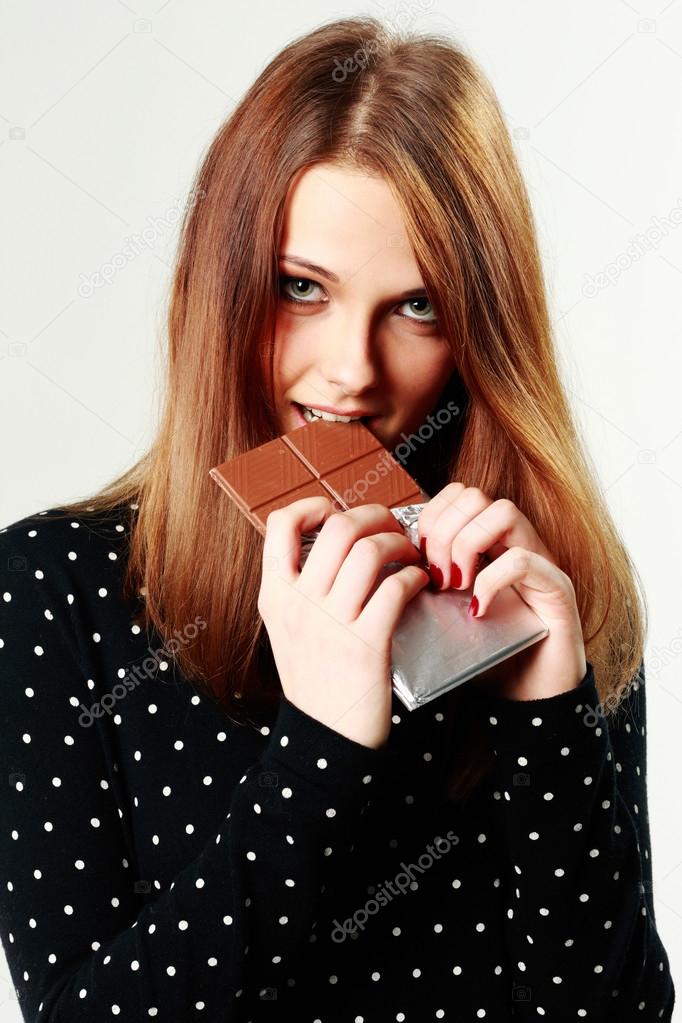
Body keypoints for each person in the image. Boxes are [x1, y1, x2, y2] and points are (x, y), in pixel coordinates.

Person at [0, 14, 674, 1023]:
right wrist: (320, 743)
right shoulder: (56, 586)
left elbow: (614, 1011)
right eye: (300, 289)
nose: (351, 372)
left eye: (418, 307)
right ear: (220, 289)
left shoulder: (545, 581)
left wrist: (548, 714)